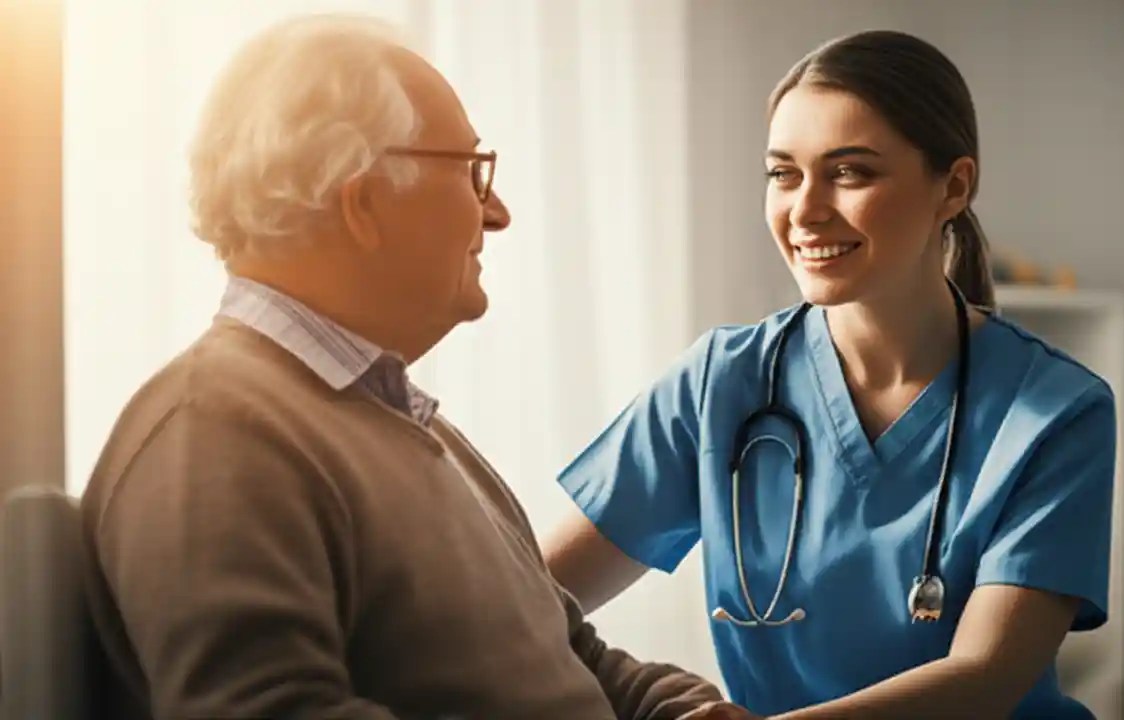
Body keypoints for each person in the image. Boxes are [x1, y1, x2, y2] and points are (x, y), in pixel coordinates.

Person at [80, 14, 730, 719]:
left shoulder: (407, 423)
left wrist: (682, 711)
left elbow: (578, 659)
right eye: (472, 173)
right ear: (363, 202)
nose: (498, 213)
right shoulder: (209, 435)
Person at [547, 30, 1117, 720]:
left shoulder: (1057, 411)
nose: (805, 210)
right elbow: (526, 596)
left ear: (954, 186)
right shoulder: (717, 386)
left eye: (850, 172)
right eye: (783, 173)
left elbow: (984, 678)